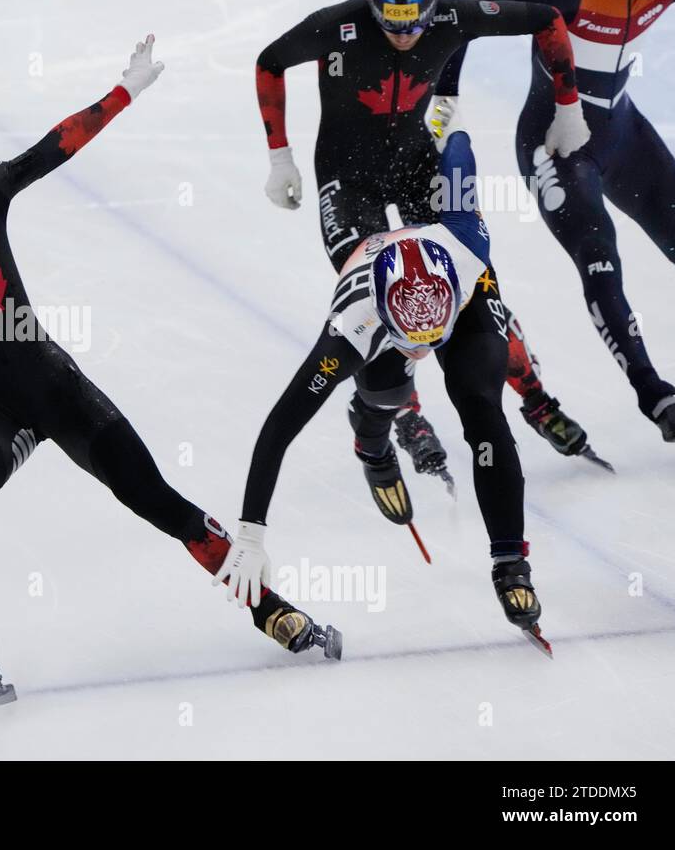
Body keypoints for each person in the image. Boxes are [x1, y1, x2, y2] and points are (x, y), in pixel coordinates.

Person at [0, 37, 341, 696]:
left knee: (158, 501)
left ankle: (272, 610)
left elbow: (53, 147)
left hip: (56, 390)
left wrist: (126, 90)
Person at [255, 0, 605, 501]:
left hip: (421, 164)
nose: (404, 35)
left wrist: (569, 106)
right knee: (390, 298)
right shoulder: (336, 25)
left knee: (472, 290)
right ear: (370, 6)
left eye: (415, 23)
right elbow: (270, 60)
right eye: (391, 23)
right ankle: (400, 410)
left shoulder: (454, 15)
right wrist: (279, 155)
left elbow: (546, 19)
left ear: (433, 6)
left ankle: (534, 395)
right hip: (349, 185)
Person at [227, 132, 549, 650]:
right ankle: (372, 435)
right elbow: (279, 428)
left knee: (483, 408)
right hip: (384, 293)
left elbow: (461, 149)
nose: (423, 350)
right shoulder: (350, 327)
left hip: (465, 301)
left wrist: (448, 125)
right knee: (386, 391)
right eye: (412, 342)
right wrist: (250, 533)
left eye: (431, 341)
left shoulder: (468, 244)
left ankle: (511, 560)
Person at [434, 0, 675, 444]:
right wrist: (444, 93)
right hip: (557, 146)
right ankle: (655, 393)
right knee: (600, 258)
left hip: (624, 136)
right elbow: (466, 9)